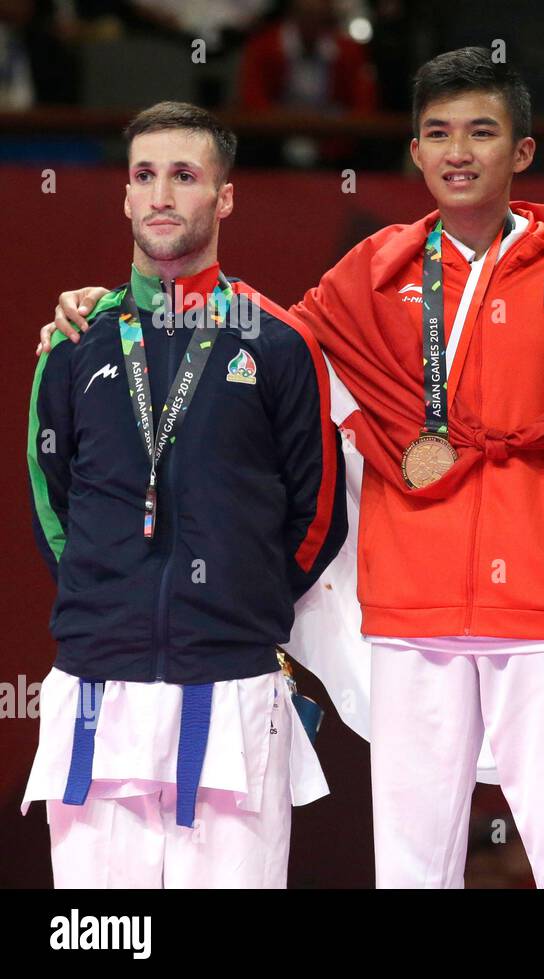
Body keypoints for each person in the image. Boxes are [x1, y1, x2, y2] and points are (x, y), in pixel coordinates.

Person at [41, 48, 544, 889]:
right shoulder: (372, 271)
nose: (458, 151)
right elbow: (254, 342)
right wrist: (106, 303)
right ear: (414, 151)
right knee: (409, 870)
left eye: (481, 132)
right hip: (411, 607)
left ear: (522, 149)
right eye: (438, 132)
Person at [24, 101, 346, 888]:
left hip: (232, 679)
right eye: (144, 175)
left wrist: (238, 597)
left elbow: (319, 514)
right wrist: (112, 589)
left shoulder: (279, 343)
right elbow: (51, 502)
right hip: (99, 684)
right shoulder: (73, 344)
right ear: (125, 196)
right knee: (108, 935)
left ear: (224, 196)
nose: (161, 194)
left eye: (184, 175)